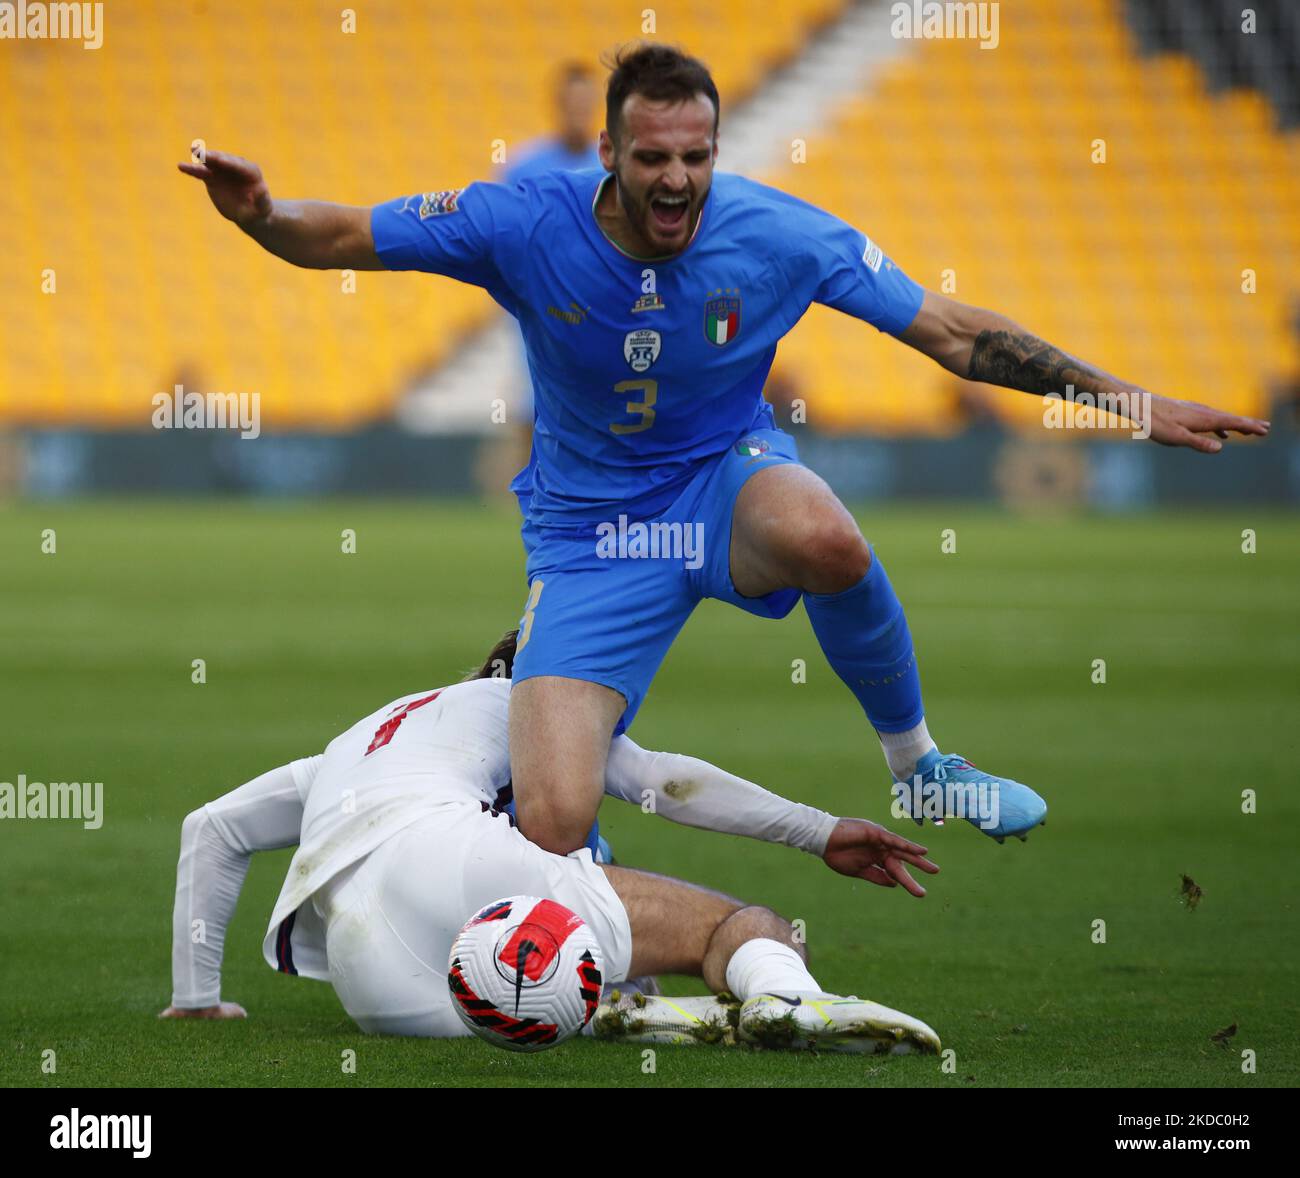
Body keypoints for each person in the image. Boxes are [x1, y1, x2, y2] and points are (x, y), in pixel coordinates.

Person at [177, 44, 1269, 861]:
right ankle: (576, 927)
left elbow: (950, 331)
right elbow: (346, 235)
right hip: (591, 533)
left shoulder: (780, 234)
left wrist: (1123, 398)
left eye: (696, 155)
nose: (676, 179)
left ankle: (920, 768)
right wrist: (261, 214)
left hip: (719, 481)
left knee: (825, 536)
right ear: (607, 152)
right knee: (554, 820)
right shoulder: (519, 220)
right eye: (651, 156)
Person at [161, 632, 941, 1053]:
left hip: (379, 992)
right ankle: (791, 1000)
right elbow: (664, 783)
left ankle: (612, 1011)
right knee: (737, 925)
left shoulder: (358, 742)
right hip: (449, 864)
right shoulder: (529, 700)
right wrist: (819, 831)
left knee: (573, 958)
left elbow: (213, 828)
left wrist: (197, 1001)